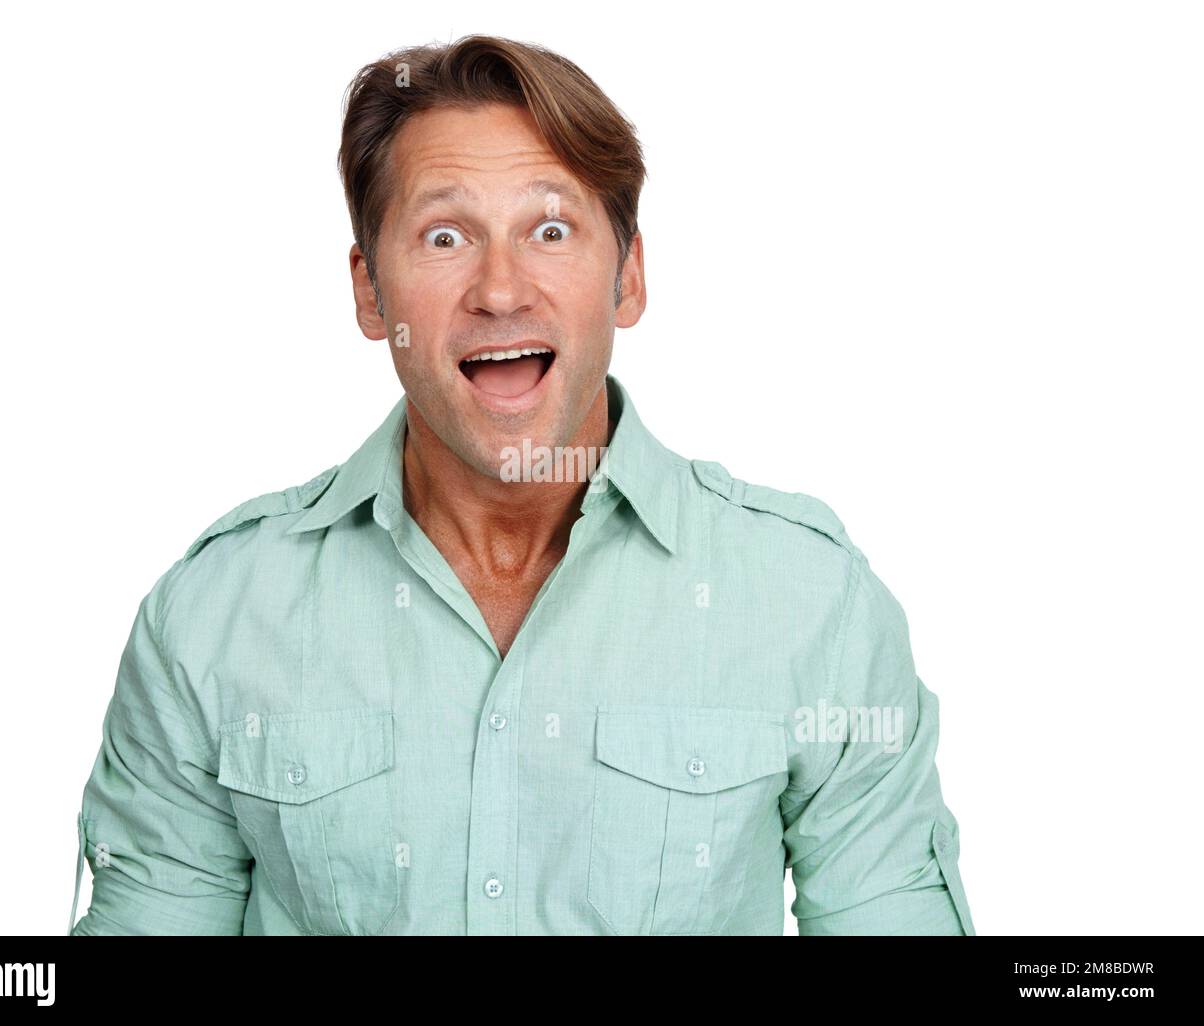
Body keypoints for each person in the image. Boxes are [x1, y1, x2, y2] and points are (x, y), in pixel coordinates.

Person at [69, 34, 975, 936]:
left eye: (550, 230)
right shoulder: (215, 616)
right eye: (445, 235)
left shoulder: (811, 603)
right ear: (371, 294)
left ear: (627, 276)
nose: (501, 291)